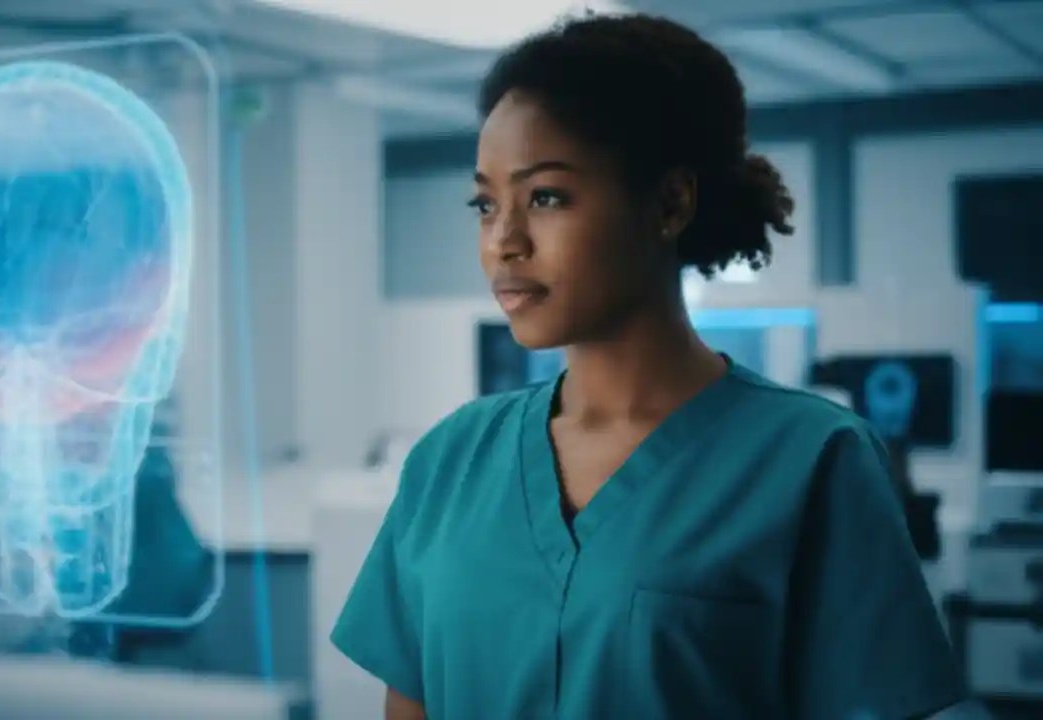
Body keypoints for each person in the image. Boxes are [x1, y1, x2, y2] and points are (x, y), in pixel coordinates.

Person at [331, 12, 966, 720]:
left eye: (546, 197)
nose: (503, 241)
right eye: (486, 204)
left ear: (669, 203)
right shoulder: (451, 460)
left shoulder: (811, 460)